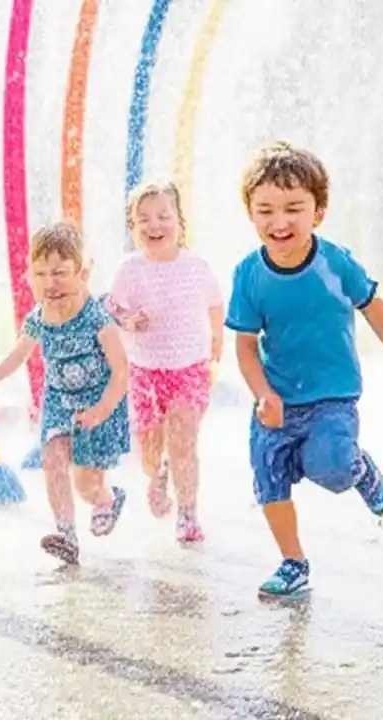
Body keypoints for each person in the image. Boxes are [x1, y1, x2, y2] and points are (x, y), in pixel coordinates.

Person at [225, 141, 383, 598]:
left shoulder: (334, 262)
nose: (279, 222)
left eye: (293, 209)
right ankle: (292, 563)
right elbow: (243, 347)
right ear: (251, 214)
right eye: (266, 210)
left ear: (318, 212)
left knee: (333, 468)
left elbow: (376, 310)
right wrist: (263, 393)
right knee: (269, 481)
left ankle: (362, 472)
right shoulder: (248, 274)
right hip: (277, 399)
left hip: (331, 397)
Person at [0, 222, 129, 565]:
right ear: (30, 276)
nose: (51, 283)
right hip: (59, 402)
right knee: (52, 458)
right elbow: (19, 354)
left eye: (61, 273)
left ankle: (108, 499)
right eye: (42, 273)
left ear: (83, 273)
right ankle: (66, 535)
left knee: (87, 484)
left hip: (98, 403)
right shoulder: (39, 318)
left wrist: (102, 410)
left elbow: (122, 370)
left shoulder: (97, 318)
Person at [107, 179, 224, 544]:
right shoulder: (129, 268)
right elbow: (110, 306)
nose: (154, 225)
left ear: (179, 222)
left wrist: (218, 339)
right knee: (150, 446)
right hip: (144, 371)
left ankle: (188, 513)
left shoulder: (196, 266)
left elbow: (215, 305)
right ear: (133, 227)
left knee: (184, 440)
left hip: (190, 367)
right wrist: (128, 320)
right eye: (143, 219)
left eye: (163, 216)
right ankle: (157, 474)